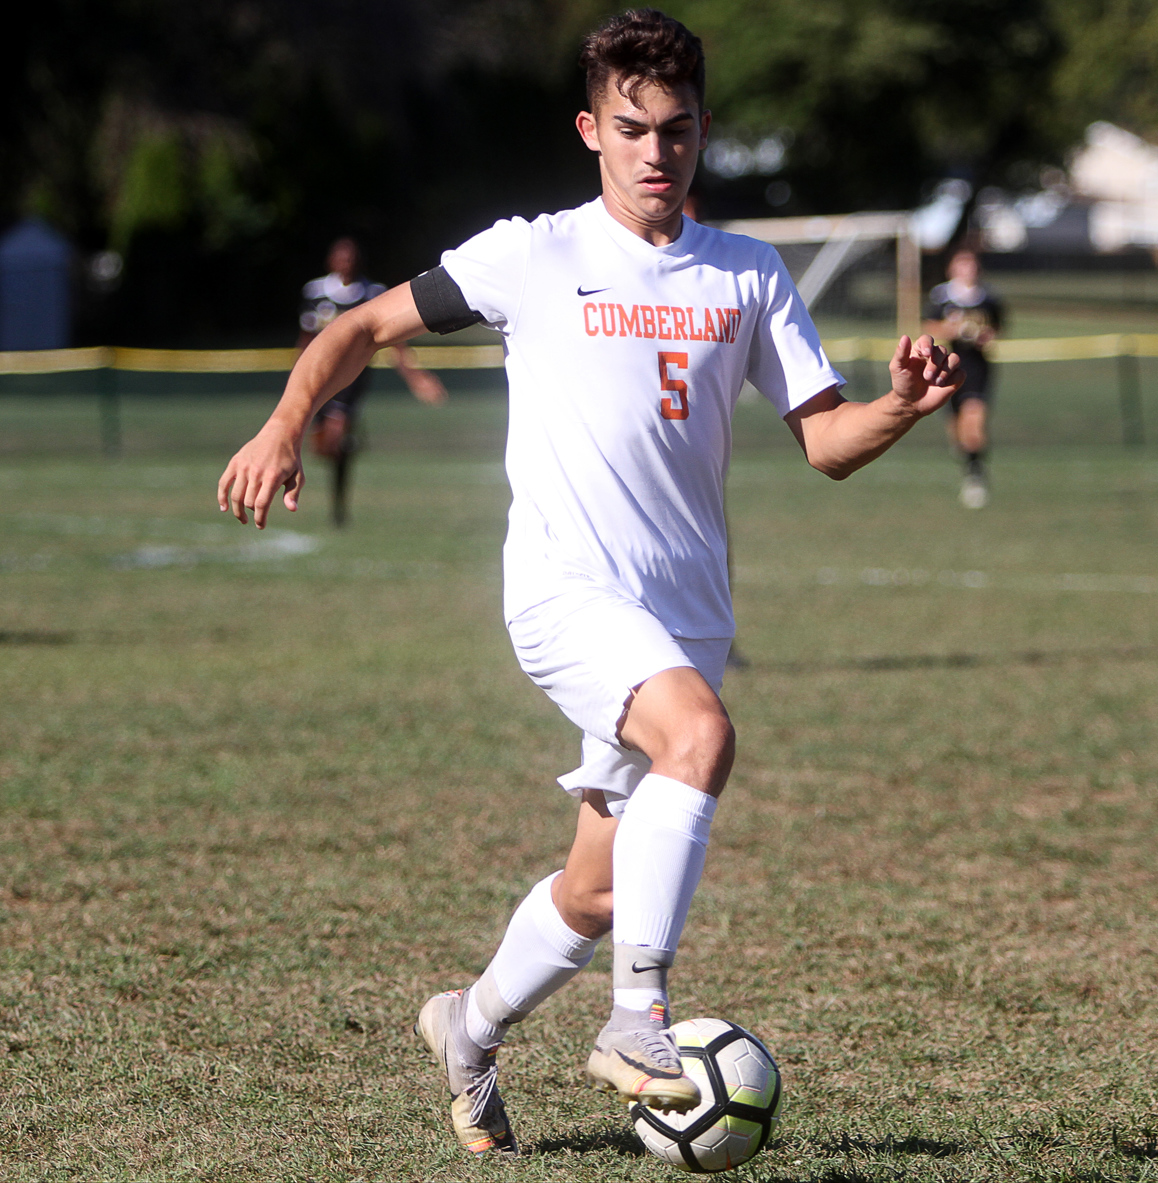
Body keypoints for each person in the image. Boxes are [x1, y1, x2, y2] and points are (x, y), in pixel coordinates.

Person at [218, 8, 962, 1158]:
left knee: (597, 890)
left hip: (687, 615)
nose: (655, 152)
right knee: (701, 741)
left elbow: (825, 442)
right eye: (631, 129)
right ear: (590, 130)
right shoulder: (533, 253)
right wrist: (283, 422)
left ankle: (466, 1029)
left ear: (703, 130)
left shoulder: (749, 275)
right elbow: (364, 326)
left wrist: (905, 405)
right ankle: (638, 1020)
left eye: (675, 130)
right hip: (566, 593)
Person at [298, 237, 448, 525]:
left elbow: (396, 343)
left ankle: (338, 508)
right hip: (318, 375)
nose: (347, 263)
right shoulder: (315, 292)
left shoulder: (373, 293)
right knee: (324, 448)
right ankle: (343, 454)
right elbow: (305, 339)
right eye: (341, 257)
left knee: (337, 435)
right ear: (331, 261)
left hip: (351, 380)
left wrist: (416, 378)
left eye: (351, 257)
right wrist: (298, 375)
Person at [922, 248, 1002, 509]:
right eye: (962, 265)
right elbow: (928, 327)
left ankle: (975, 475)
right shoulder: (942, 297)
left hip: (977, 367)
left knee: (974, 418)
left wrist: (982, 335)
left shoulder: (988, 299)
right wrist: (955, 329)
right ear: (952, 269)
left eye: (971, 265)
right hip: (946, 367)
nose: (967, 270)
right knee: (957, 428)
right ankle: (968, 457)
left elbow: (997, 329)